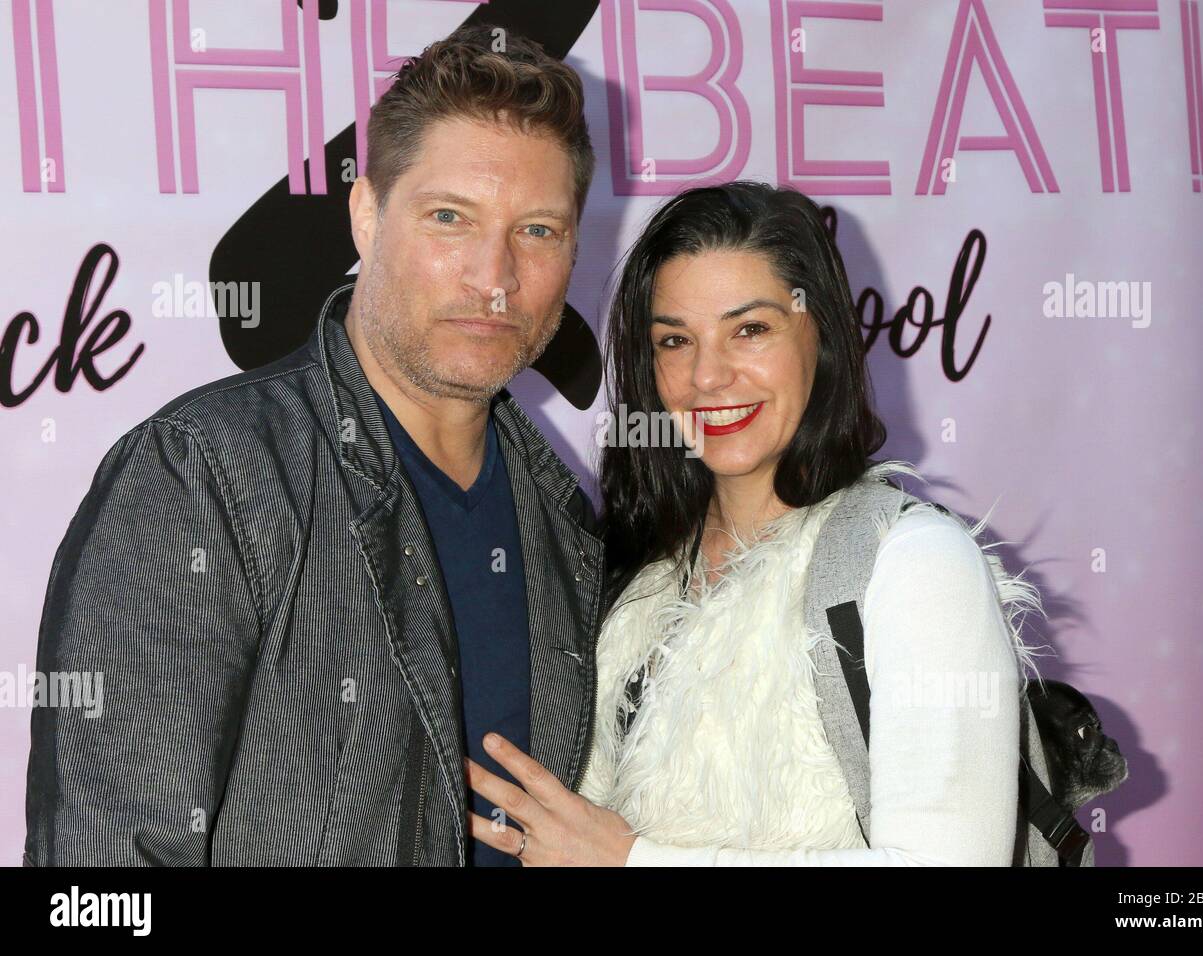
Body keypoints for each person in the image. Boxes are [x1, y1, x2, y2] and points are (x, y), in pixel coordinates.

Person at [24, 24, 601, 867]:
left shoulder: (565, 521)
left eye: (538, 231)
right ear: (366, 217)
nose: (494, 276)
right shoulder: (203, 475)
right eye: (449, 217)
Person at [466, 181, 1047, 865]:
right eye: (675, 340)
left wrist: (633, 862)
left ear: (821, 334)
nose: (708, 376)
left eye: (750, 329)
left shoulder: (914, 561)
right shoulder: (629, 578)